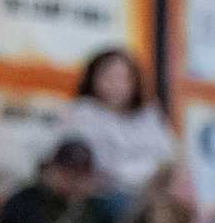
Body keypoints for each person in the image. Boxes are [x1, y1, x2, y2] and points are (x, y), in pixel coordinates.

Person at [65, 48, 178, 204]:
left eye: (124, 78)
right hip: (105, 197)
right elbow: (99, 168)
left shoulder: (149, 115)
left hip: (152, 194)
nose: (116, 85)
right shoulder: (82, 114)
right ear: (92, 79)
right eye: (109, 78)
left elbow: (168, 157)